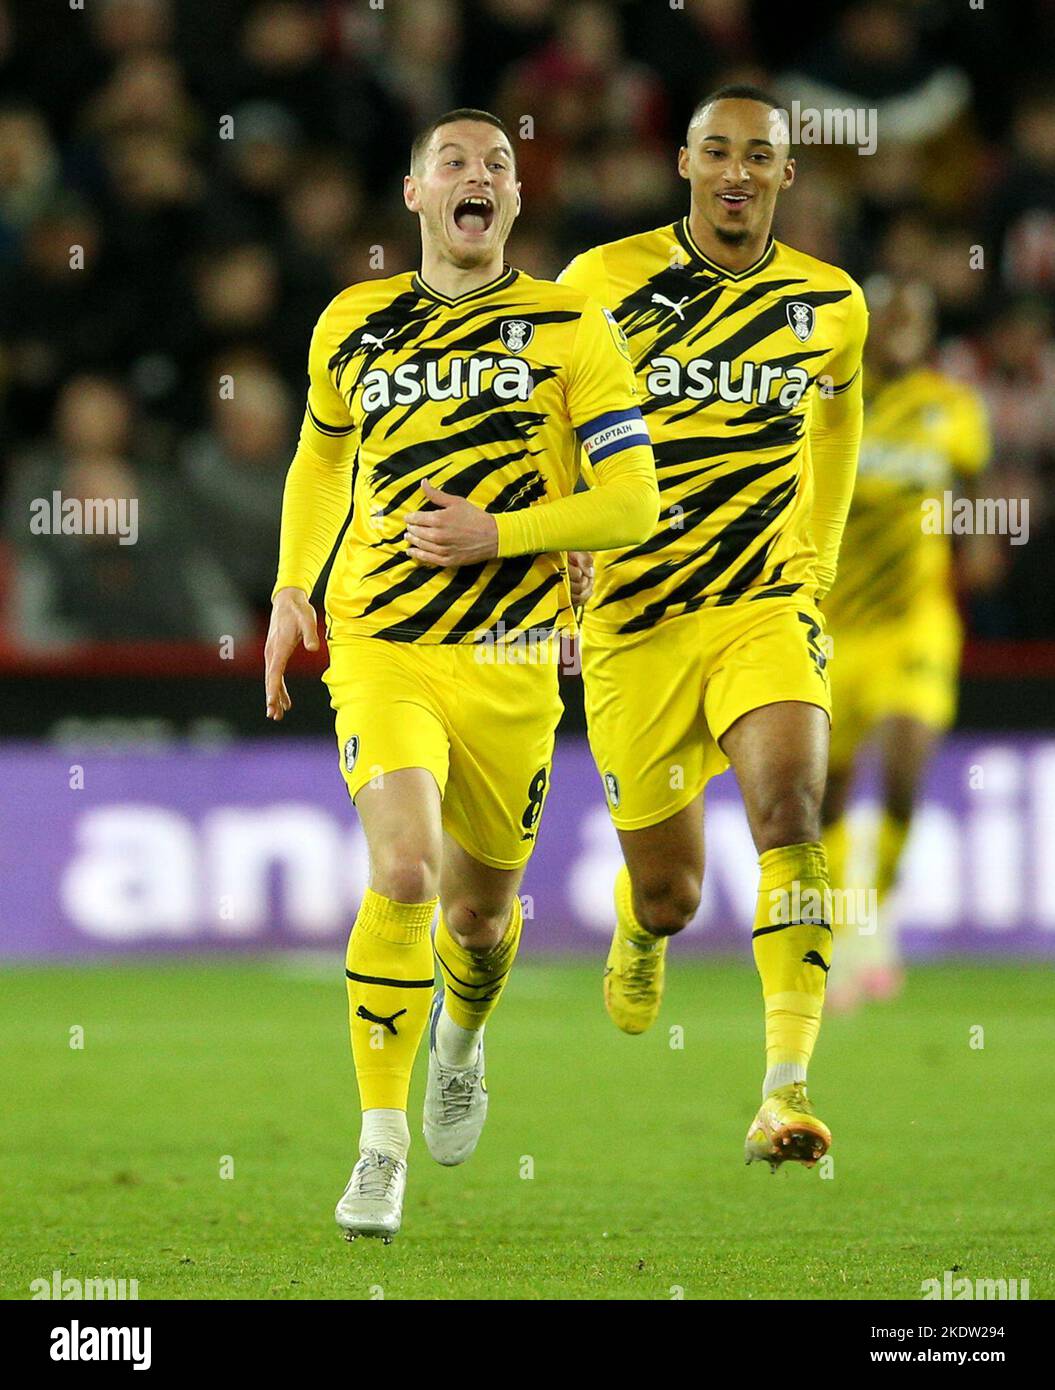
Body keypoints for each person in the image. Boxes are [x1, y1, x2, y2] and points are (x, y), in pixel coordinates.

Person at [264, 109, 658, 1239]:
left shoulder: (571, 326)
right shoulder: (353, 321)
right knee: (400, 873)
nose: (475, 177)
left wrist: (502, 533)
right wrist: (296, 584)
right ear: (413, 194)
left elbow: (633, 502)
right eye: (454, 164)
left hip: (517, 654)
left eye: (497, 166)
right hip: (382, 640)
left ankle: (461, 1040)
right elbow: (323, 450)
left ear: (515, 204)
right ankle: (377, 1149)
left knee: (478, 922)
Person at [558, 85, 867, 1169]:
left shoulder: (828, 302)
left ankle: (784, 1092)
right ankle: (638, 928)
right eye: (717, 152)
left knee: (789, 806)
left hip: (759, 607)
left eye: (760, 156)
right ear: (682, 164)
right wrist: (563, 540)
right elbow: (542, 411)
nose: (737, 171)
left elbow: (836, 418)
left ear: (786, 174)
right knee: (672, 889)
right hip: (634, 619)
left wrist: (814, 560)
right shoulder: (599, 283)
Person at [821, 277, 989, 1008]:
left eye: (912, 315)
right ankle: (836, 930)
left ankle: (876, 915)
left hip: (914, 625)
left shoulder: (949, 410)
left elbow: (976, 489)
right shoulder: (826, 404)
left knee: (901, 769)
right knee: (822, 797)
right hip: (831, 627)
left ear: (925, 328)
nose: (898, 327)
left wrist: (979, 541)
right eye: (886, 315)